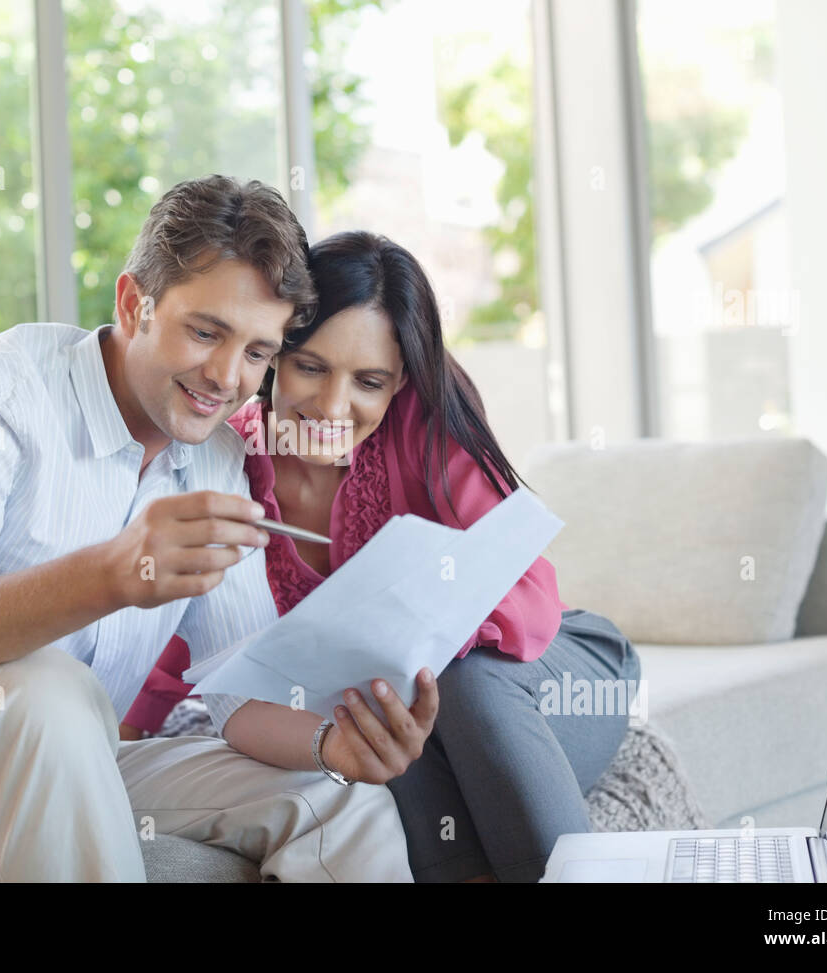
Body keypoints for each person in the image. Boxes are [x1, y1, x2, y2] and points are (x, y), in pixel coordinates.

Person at [0, 177, 437, 883]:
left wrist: (330, 743)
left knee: (338, 800)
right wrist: (109, 573)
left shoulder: (217, 458)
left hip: (66, 757)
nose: (226, 376)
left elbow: (235, 686)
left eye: (257, 351)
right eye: (205, 331)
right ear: (135, 304)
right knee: (43, 688)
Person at [121, 230, 643, 882]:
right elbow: (186, 637)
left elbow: (529, 602)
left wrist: (414, 642)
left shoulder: (426, 426)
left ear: (398, 381)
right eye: (311, 366)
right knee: (369, 733)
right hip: (393, 708)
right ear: (275, 351)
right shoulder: (225, 463)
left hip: (544, 670)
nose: (334, 406)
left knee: (453, 683)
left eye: (369, 381)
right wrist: (121, 739)